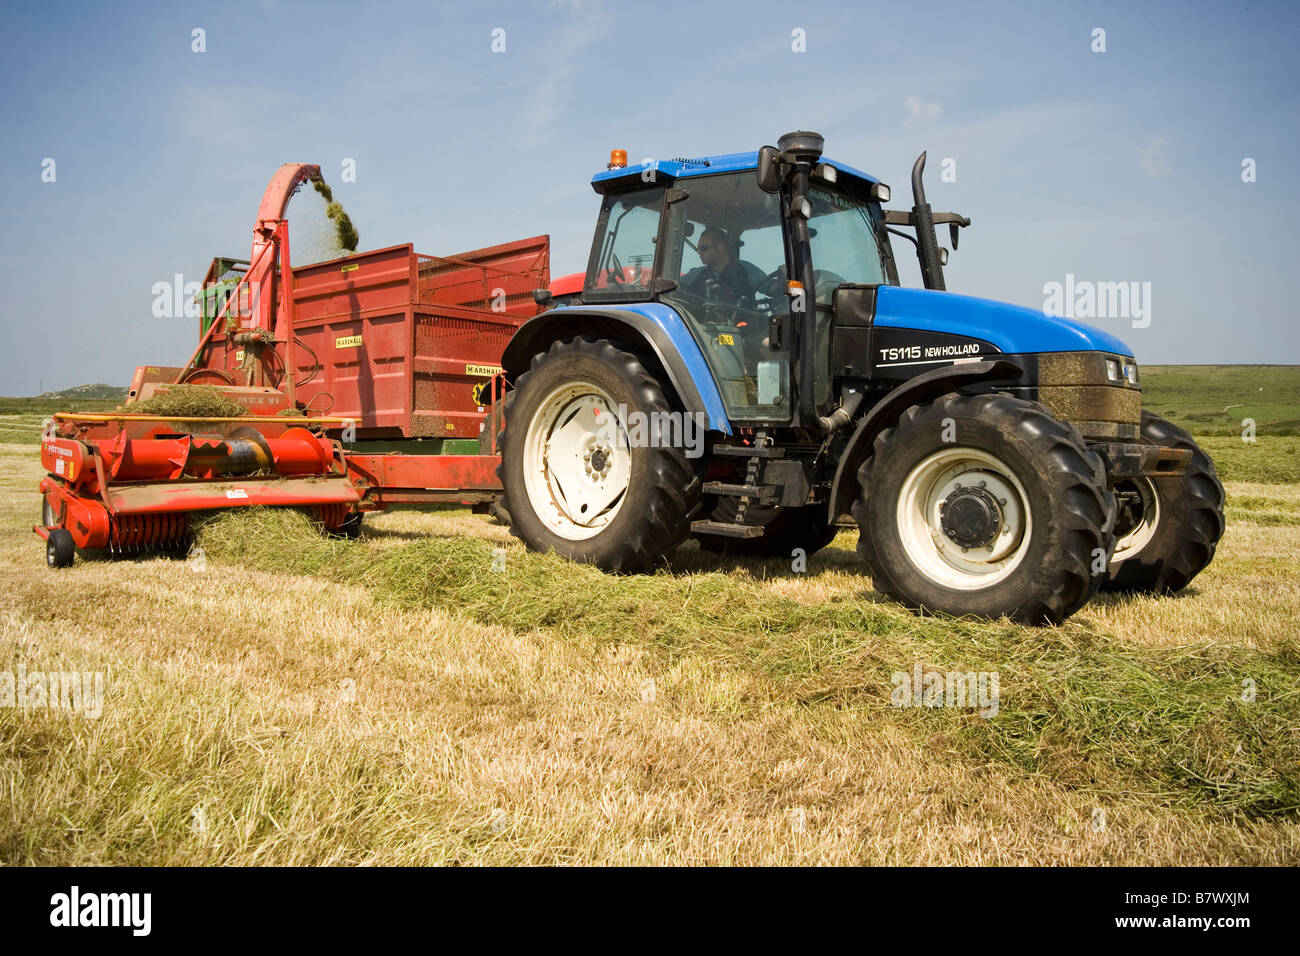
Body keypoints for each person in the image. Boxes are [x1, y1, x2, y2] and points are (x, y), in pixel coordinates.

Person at [684, 227, 753, 304]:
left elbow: (767, 285)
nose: (699, 253)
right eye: (698, 249)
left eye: (704, 248)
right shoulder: (701, 274)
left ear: (720, 247)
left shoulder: (747, 270)